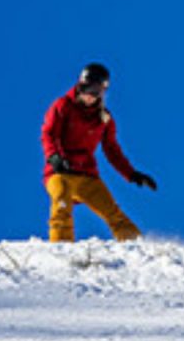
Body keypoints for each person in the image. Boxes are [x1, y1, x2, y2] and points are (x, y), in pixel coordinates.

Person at [41, 63, 157, 242]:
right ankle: (61, 250)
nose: (89, 95)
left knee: (113, 213)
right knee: (61, 204)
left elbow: (112, 150)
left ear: (102, 92)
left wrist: (132, 174)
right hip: (60, 172)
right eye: (86, 88)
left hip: (87, 176)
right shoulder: (63, 106)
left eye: (95, 91)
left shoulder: (104, 118)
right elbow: (49, 133)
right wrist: (54, 156)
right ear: (79, 85)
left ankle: (138, 249)